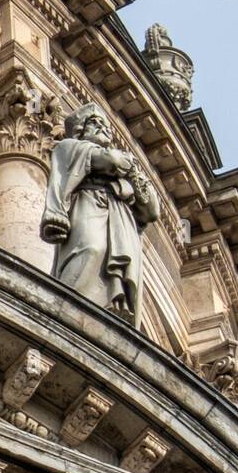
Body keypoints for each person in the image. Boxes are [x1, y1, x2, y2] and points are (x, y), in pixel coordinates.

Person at [40, 102, 160, 326]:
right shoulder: (71, 147)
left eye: (106, 125)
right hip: (89, 204)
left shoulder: (123, 168)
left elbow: (153, 210)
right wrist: (129, 167)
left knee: (125, 272)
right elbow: (111, 161)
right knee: (91, 248)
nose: (103, 128)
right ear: (80, 130)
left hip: (120, 218)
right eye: (95, 123)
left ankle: (114, 311)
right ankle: (67, 312)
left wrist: (130, 170)